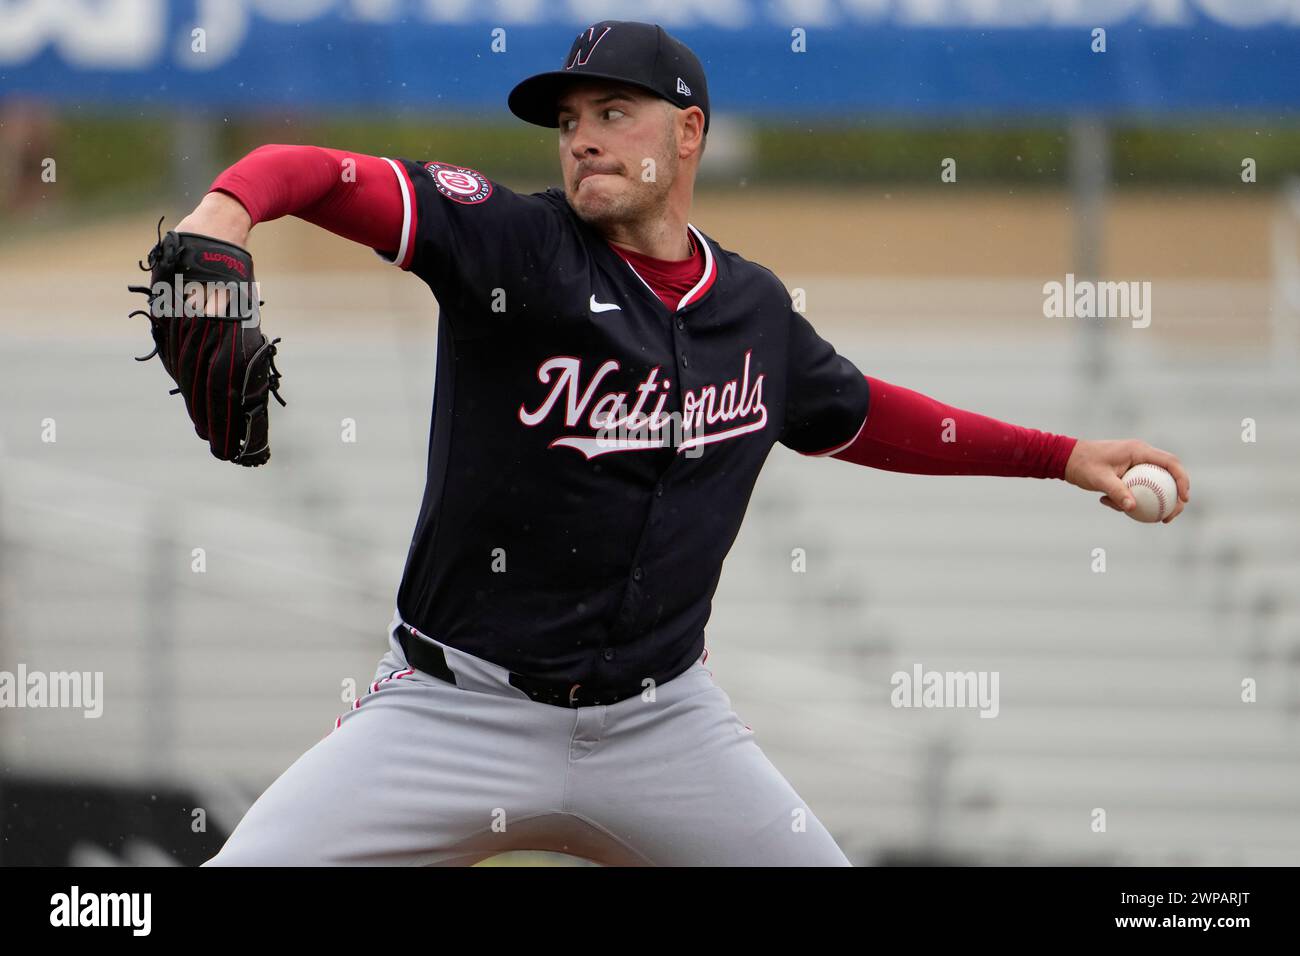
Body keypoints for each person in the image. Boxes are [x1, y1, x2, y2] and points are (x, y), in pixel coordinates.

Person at [194, 21, 1190, 866]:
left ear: (688, 131)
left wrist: (1058, 454)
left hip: (661, 723)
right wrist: (225, 210)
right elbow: (314, 173)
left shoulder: (751, 308)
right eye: (570, 122)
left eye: (612, 112)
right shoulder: (512, 246)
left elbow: (863, 415)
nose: (581, 138)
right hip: (453, 710)